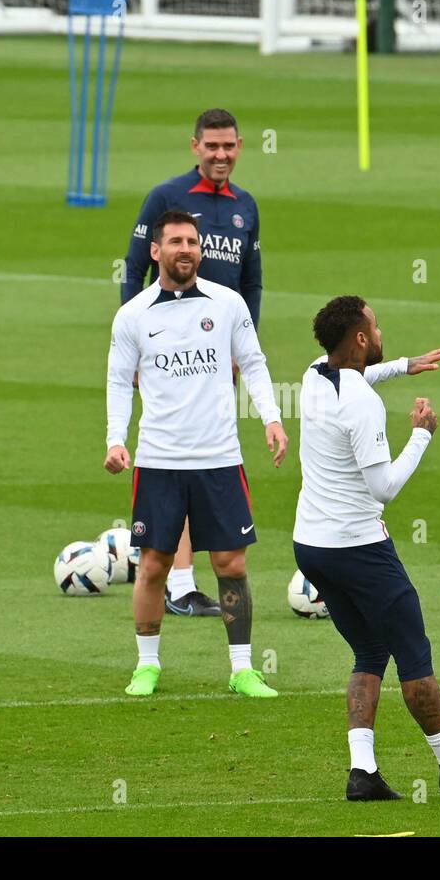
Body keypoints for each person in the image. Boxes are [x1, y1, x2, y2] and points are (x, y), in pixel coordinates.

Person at [293, 295, 440, 800]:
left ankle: (362, 773)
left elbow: (356, 377)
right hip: (360, 549)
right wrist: (420, 436)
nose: (380, 328)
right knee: (414, 657)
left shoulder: (314, 374)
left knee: (369, 651)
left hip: (311, 545)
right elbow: (384, 489)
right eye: (375, 324)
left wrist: (405, 366)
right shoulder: (361, 404)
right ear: (360, 338)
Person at [106, 210, 286, 698]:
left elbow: (253, 362)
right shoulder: (134, 315)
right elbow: (120, 381)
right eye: (175, 241)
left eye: (192, 241)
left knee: (232, 565)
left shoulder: (227, 304)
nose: (185, 249)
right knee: (153, 566)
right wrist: (115, 440)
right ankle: (147, 665)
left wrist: (271, 417)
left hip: (220, 459)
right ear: (156, 251)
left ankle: (242, 668)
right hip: (159, 461)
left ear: (200, 250)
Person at [120, 108, 262, 617]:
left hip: (218, 348)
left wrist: (245, 350)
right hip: (163, 346)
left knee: (209, 451)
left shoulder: (246, 206)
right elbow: (133, 271)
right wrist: (136, 349)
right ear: (195, 146)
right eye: (212, 146)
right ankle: (180, 582)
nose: (220, 155)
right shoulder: (167, 197)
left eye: (229, 147)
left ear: (241, 147)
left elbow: (252, 283)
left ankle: (187, 582)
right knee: (173, 450)